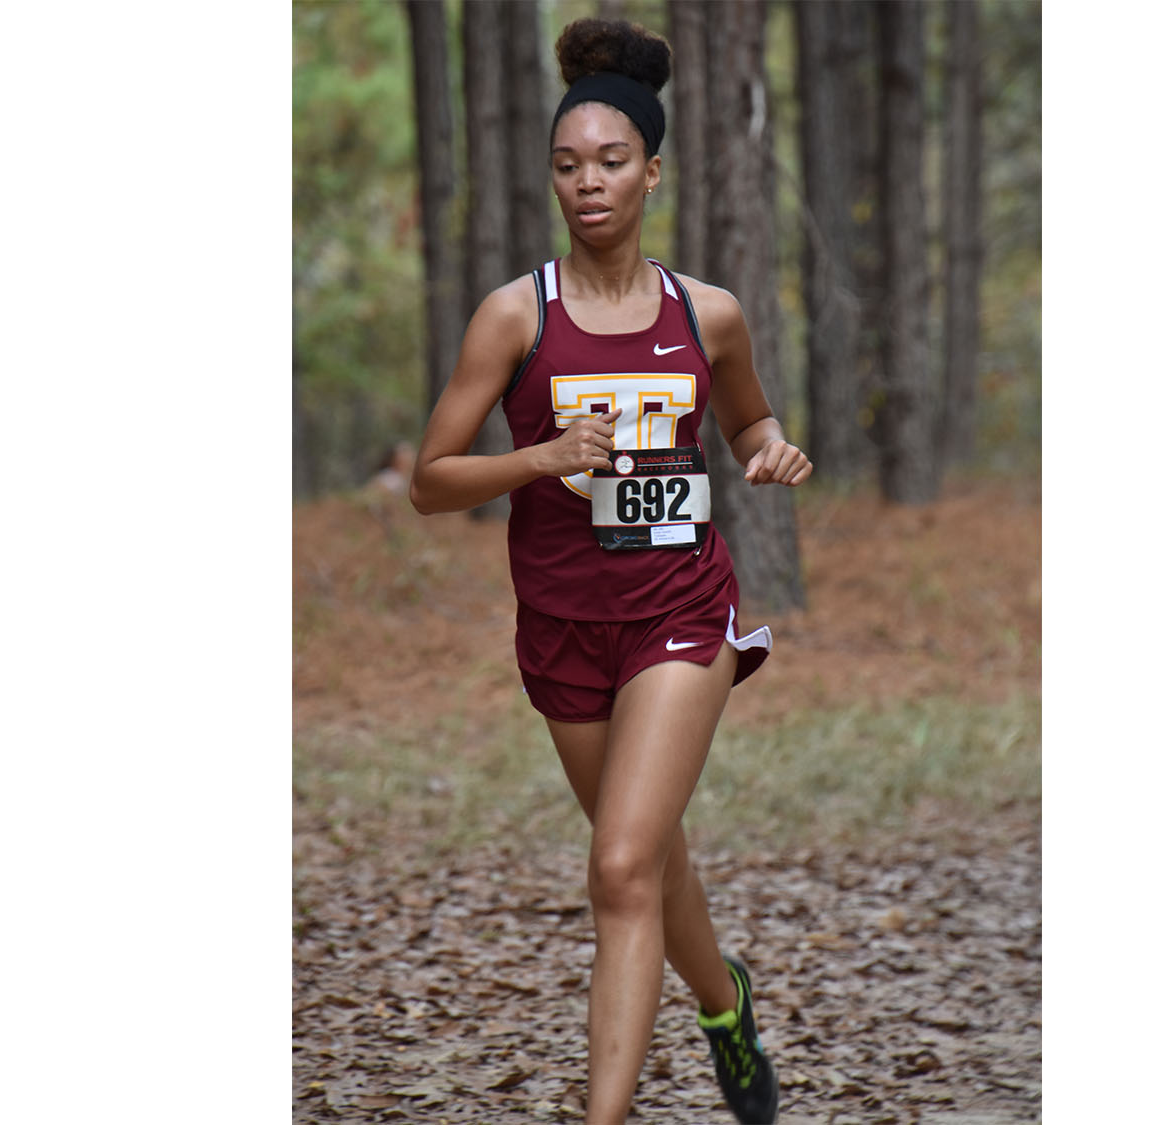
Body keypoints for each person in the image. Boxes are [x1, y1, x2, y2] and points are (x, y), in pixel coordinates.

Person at [408, 17, 809, 1124]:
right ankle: (725, 1005)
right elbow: (430, 480)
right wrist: (536, 456)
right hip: (563, 630)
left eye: (611, 163)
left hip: (678, 615)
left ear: (652, 173)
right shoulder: (514, 317)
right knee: (652, 860)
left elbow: (747, 422)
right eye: (567, 165)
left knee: (620, 870)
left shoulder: (705, 315)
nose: (588, 185)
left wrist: (767, 450)